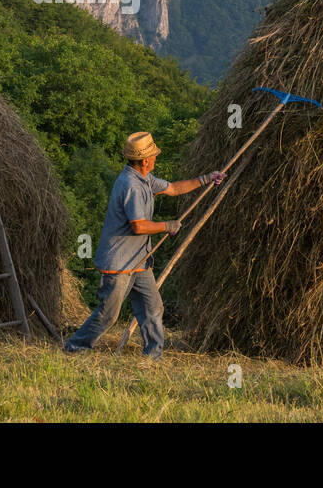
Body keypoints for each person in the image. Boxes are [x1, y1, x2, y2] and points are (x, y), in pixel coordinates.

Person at [64, 131, 225, 360]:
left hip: (139, 261)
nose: (156, 158)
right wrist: (166, 225)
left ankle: (153, 357)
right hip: (119, 262)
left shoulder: (145, 179)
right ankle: (75, 348)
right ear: (146, 160)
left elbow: (173, 189)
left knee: (152, 307)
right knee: (109, 314)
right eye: (154, 156)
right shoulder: (131, 185)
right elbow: (138, 226)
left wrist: (206, 179)